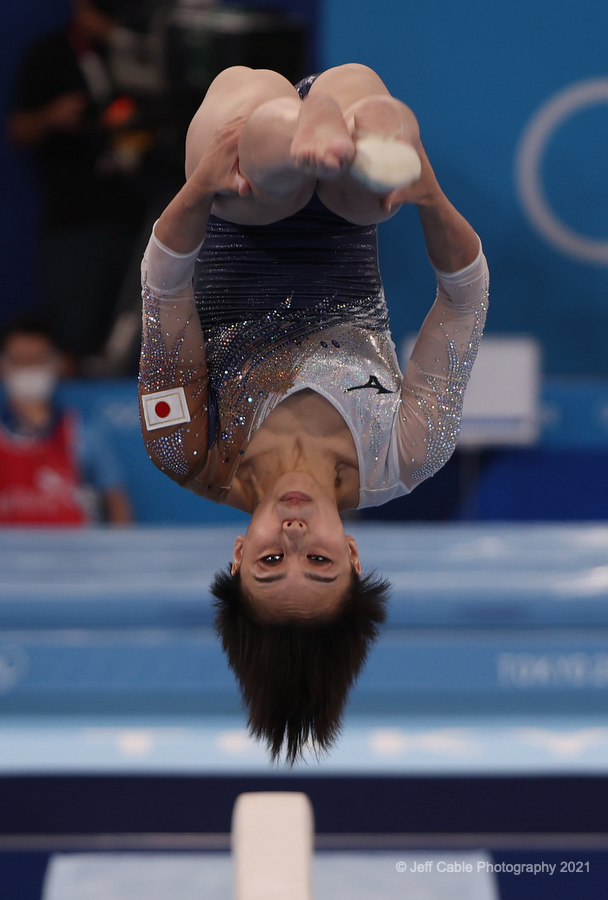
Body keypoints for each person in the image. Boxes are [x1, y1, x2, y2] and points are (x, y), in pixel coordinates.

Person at [138, 64, 489, 762]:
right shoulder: (408, 452)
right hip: (348, 220)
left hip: (234, 211)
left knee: (258, 155)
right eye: (319, 560)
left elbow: (165, 287)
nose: (294, 534)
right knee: (377, 159)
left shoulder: (187, 450)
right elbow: (464, 299)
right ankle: (340, 124)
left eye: (272, 559)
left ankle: (307, 131)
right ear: (352, 557)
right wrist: (428, 195)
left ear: (238, 557)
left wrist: (198, 186)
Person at [8, 0, 149, 365]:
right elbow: (19, 130)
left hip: (137, 220)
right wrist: (50, 116)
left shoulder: (140, 53)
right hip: (75, 222)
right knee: (75, 334)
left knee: (137, 338)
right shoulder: (50, 53)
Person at [0, 315, 132, 525]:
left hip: (75, 545)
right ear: (4, 365)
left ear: (56, 363)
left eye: (37, 360)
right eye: (20, 360)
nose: (28, 369)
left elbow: (117, 502)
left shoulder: (82, 431)